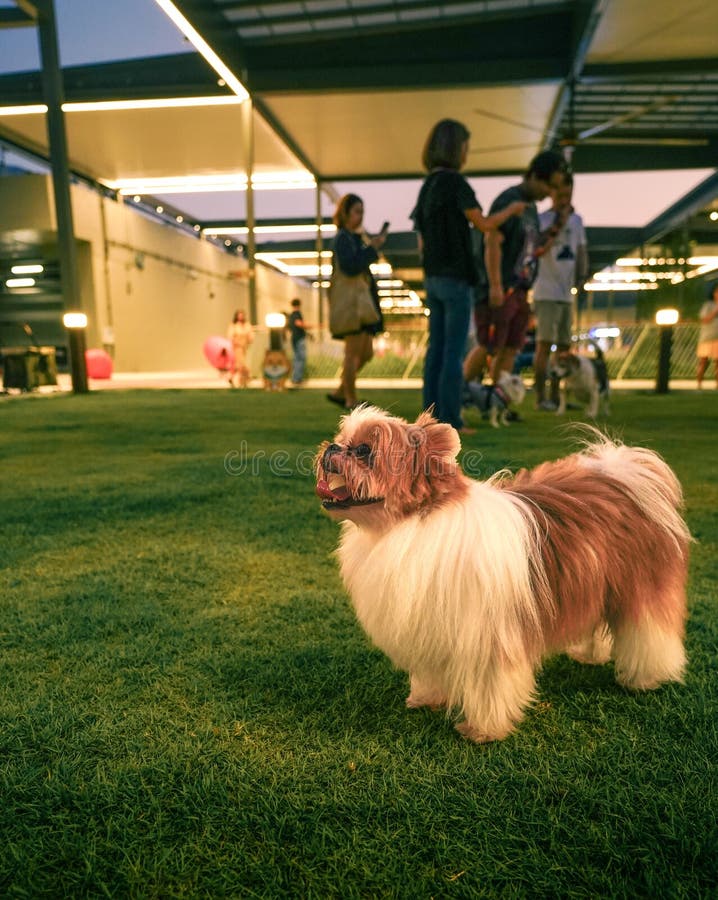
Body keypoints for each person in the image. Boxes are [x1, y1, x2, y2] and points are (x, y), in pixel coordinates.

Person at [411, 118, 526, 434]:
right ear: (456, 148)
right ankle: (450, 421)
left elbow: (420, 237)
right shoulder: (455, 183)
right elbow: (484, 223)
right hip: (456, 278)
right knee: (453, 352)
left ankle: (428, 420)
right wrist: (512, 211)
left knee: (435, 351)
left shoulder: (427, 187)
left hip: (433, 277)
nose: (466, 153)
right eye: (465, 146)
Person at [464, 150, 569, 394]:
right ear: (533, 176)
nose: (549, 193)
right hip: (503, 287)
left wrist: (556, 228)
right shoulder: (509, 200)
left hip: (521, 288)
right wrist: (495, 284)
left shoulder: (530, 208)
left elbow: (533, 248)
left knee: (511, 346)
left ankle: (499, 400)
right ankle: (457, 398)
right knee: (489, 344)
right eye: (548, 185)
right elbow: (491, 240)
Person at [532, 172, 589, 410]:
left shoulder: (577, 221)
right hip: (545, 291)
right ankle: (540, 397)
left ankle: (559, 397)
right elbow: (537, 248)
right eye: (560, 194)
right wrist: (560, 220)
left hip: (566, 293)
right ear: (551, 193)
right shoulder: (542, 219)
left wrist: (582, 277)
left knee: (565, 345)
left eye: (568, 194)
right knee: (544, 344)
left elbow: (581, 250)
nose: (565, 199)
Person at [326, 193, 386, 411]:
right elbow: (351, 267)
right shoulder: (343, 238)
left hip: (360, 303)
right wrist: (372, 249)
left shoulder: (351, 237)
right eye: (357, 211)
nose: (360, 216)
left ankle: (342, 391)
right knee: (353, 353)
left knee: (365, 352)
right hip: (352, 304)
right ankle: (350, 398)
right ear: (346, 213)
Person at [697, 280, 718, 389]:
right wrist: (716, 310)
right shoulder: (708, 305)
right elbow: (704, 320)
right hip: (707, 338)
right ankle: (699, 384)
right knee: (703, 361)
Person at [227, 309, 253, 387]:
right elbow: (230, 336)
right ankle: (246, 378)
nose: (241, 317)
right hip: (237, 347)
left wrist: (249, 340)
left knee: (238, 365)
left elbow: (250, 335)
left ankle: (232, 377)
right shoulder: (234, 325)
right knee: (241, 364)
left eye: (242, 315)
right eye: (239, 315)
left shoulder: (247, 325)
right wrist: (235, 342)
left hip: (245, 347)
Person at [288, 297, 310, 386]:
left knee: (296, 358)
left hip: (294, 338)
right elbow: (299, 323)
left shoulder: (291, 315)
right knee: (301, 358)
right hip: (299, 338)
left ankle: (295, 378)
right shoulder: (297, 314)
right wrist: (308, 326)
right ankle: (297, 379)